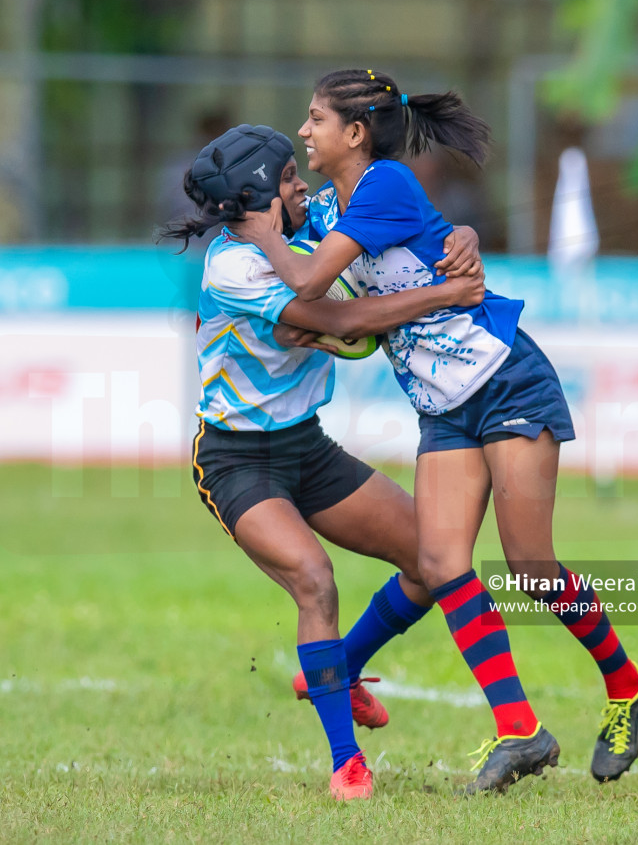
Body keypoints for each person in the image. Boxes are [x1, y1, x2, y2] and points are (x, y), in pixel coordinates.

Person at [238, 70, 638, 793]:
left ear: (356, 133)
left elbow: (308, 283)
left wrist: (257, 235)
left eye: (314, 119)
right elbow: (316, 252)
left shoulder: (383, 186)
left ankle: (626, 685)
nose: (304, 132)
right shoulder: (338, 204)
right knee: (439, 563)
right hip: (443, 406)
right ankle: (519, 730)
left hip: (505, 381)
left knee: (530, 564)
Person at [161, 124, 487, 801]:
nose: (301, 182)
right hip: (234, 461)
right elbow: (342, 324)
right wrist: (446, 296)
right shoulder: (233, 268)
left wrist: (462, 236)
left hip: (306, 447)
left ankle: (337, 666)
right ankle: (347, 763)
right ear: (258, 198)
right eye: (286, 178)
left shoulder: (321, 221)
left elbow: (396, 221)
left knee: (435, 561)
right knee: (315, 579)